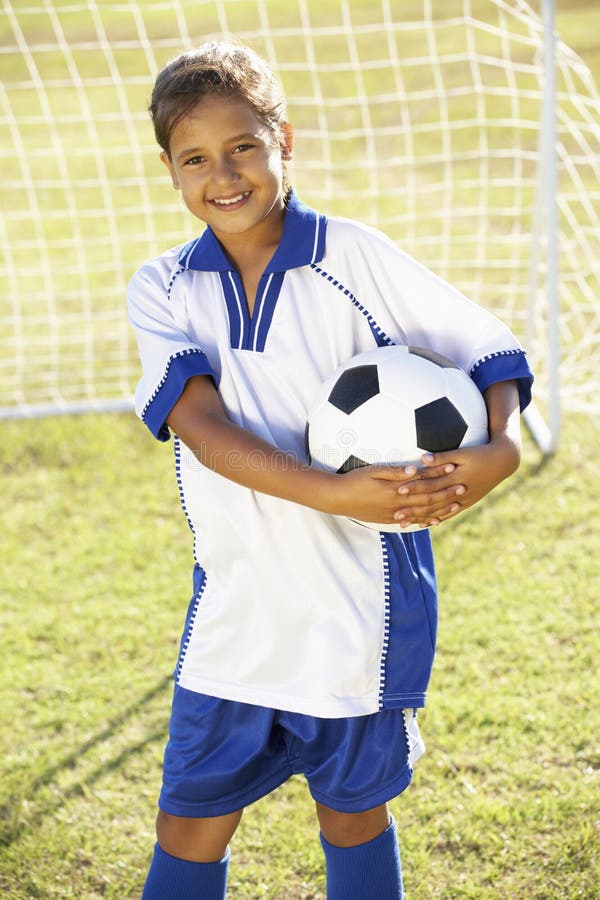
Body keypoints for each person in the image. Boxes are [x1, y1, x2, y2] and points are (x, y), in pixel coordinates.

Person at [128, 40, 533, 900]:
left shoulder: (354, 255)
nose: (224, 174)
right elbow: (198, 425)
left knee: (351, 815)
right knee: (188, 821)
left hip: (362, 611)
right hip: (238, 612)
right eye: (196, 158)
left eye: (243, 146)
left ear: (285, 140)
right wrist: (329, 490)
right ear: (169, 170)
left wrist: (502, 448)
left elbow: (489, 346)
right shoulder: (163, 287)